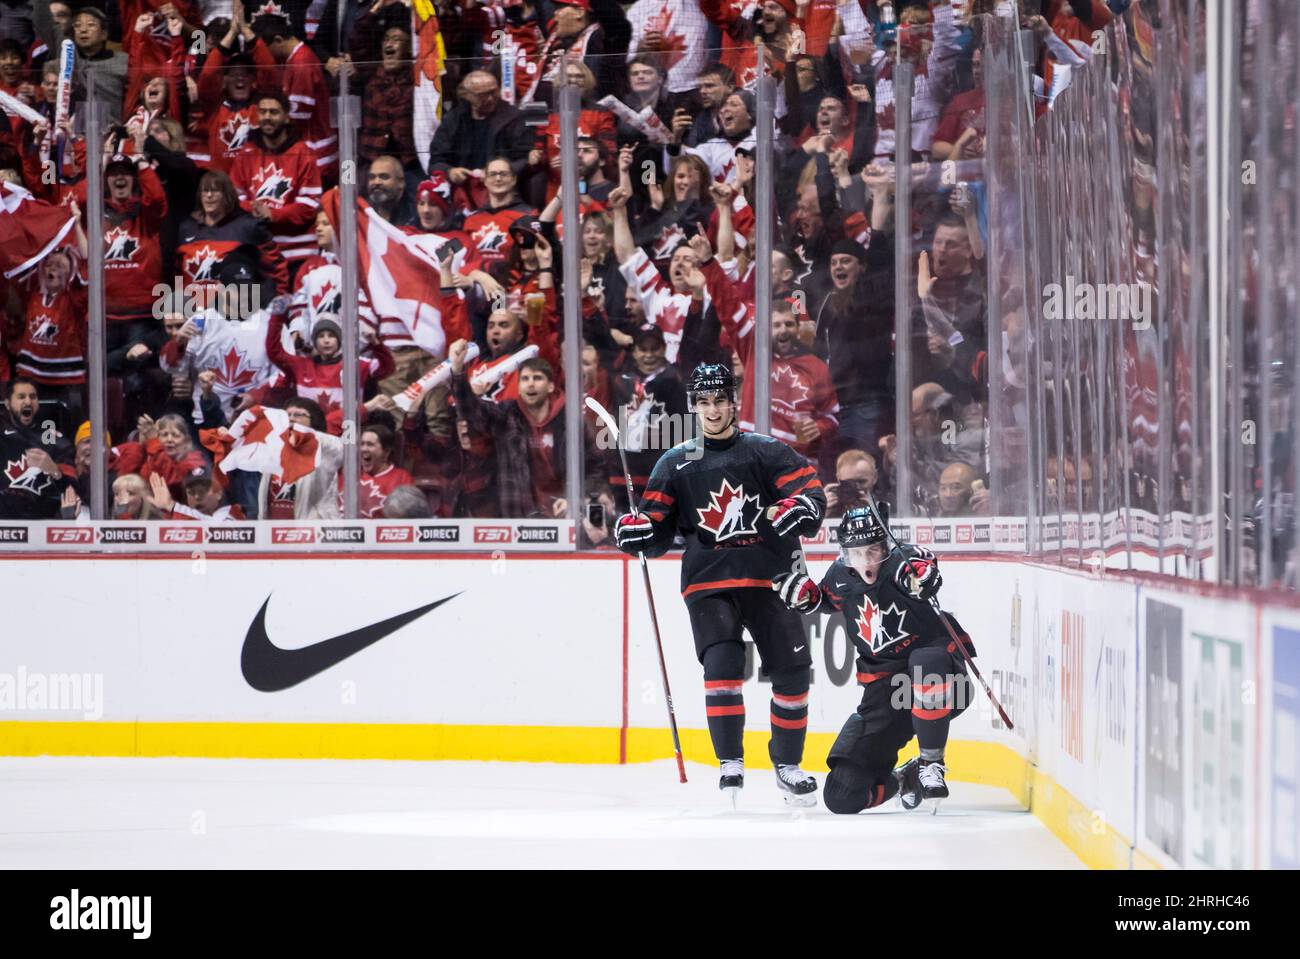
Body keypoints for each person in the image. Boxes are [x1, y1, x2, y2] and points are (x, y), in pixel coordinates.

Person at [613, 362, 826, 806]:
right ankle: (730, 761)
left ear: (733, 402)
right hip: (709, 584)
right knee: (722, 666)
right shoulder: (676, 462)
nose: (713, 411)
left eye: (720, 401)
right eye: (704, 403)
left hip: (775, 580)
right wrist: (637, 534)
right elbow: (655, 532)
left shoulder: (766, 451)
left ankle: (787, 765)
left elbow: (810, 496)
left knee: (791, 674)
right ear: (693, 406)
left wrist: (804, 508)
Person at [772, 507, 975, 813]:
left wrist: (924, 577)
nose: (867, 562)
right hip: (889, 694)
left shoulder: (902, 561)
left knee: (925, 660)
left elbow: (922, 569)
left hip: (947, 684)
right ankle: (905, 778)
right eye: (857, 553)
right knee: (840, 796)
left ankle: (932, 764)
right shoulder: (840, 577)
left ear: (885, 546)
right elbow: (823, 600)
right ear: (845, 553)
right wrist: (803, 596)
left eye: (873, 551)